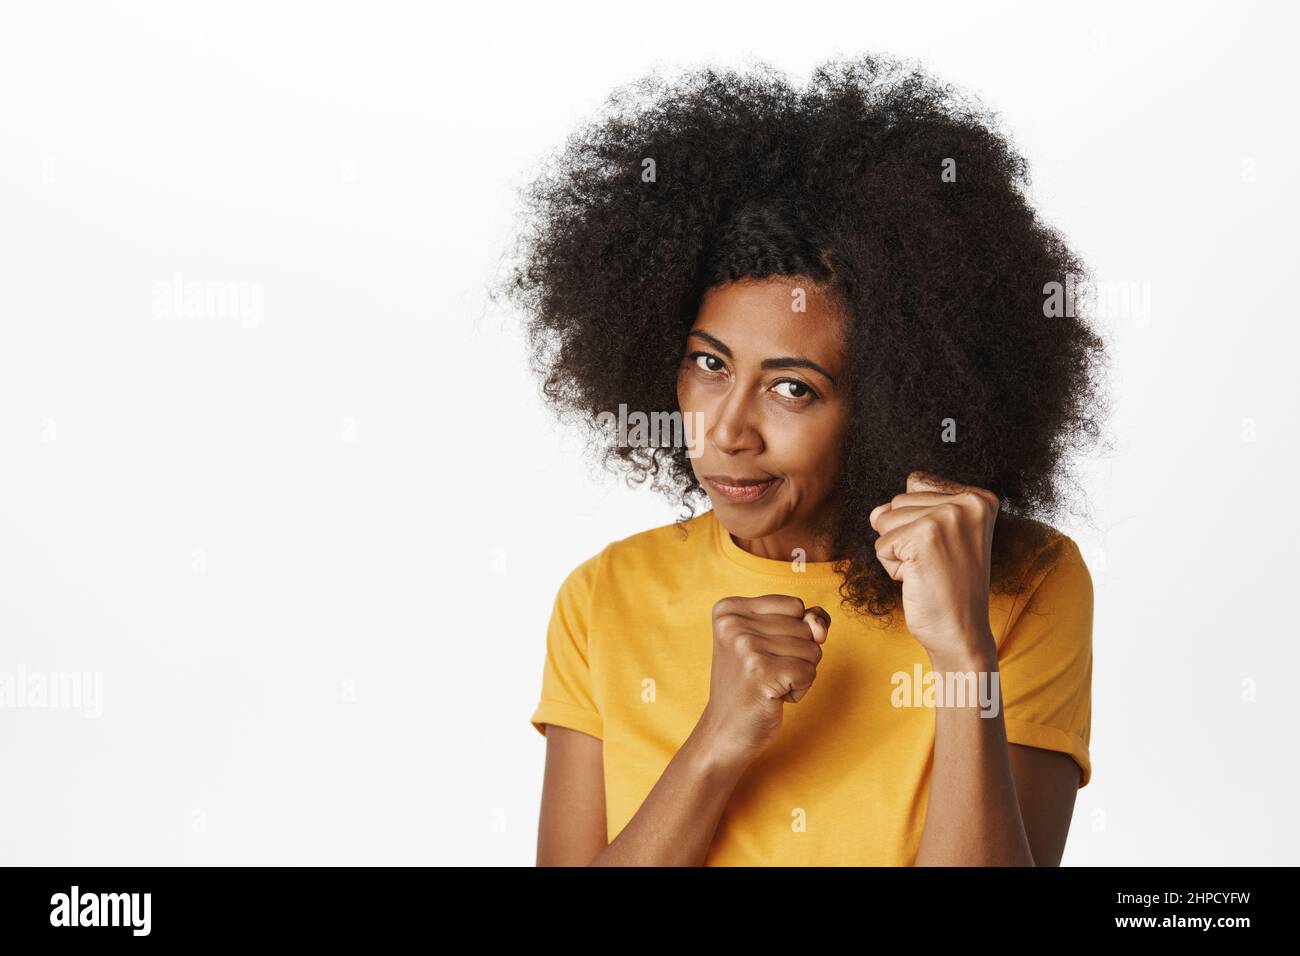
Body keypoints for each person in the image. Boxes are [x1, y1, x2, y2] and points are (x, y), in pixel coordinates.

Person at [499, 54, 1108, 866]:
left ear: (891, 406)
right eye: (709, 364)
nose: (727, 431)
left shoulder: (1020, 584)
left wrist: (962, 650)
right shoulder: (604, 598)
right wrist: (718, 741)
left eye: (792, 388)